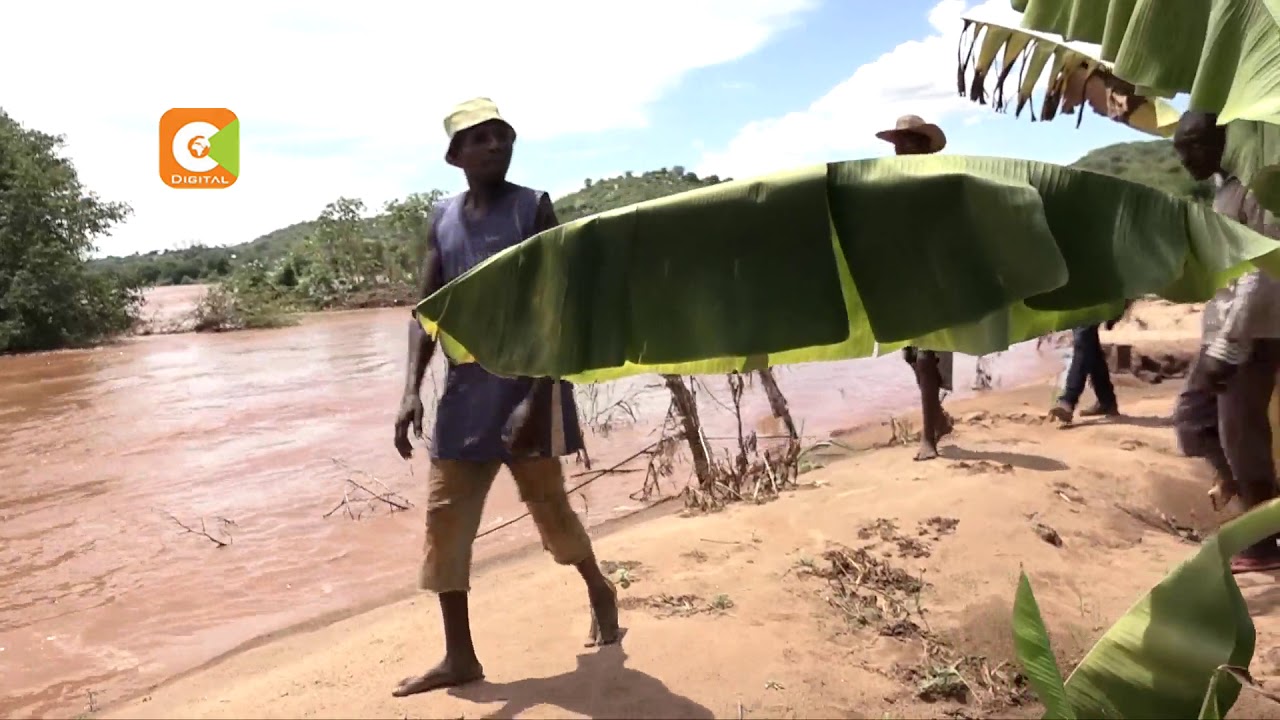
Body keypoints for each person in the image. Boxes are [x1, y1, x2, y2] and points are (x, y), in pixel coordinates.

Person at [391, 97, 620, 696]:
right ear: (455, 156)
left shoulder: (531, 207)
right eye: (480, 138)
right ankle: (459, 655)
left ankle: (599, 589)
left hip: (530, 387)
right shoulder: (442, 217)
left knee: (550, 511)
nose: (494, 145)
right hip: (465, 394)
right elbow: (426, 311)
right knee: (445, 524)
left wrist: (538, 395)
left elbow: (558, 308)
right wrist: (410, 392)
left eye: (502, 136)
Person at [1171, 111, 1280, 574]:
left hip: (1252, 333)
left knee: (1241, 433)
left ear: (1221, 141)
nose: (1183, 156)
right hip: (1226, 331)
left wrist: (1228, 346)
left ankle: (1262, 544)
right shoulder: (1225, 190)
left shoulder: (1257, 190)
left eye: (1193, 144)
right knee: (1195, 421)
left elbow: (1261, 270)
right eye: (1178, 147)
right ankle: (1251, 504)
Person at [876, 114, 954, 461]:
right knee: (911, 355)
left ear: (924, 146)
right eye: (897, 145)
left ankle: (929, 440)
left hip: (939, 279)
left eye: (907, 143)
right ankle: (939, 418)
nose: (901, 151)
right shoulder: (891, 187)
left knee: (925, 358)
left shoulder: (941, 181)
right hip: (907, 282)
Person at [1047, 306, 1128, 423]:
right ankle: (1106, 400)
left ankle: (1068, 401)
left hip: (1091, 297)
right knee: (1090, 345)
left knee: (1083, 339)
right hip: (1083, 297)